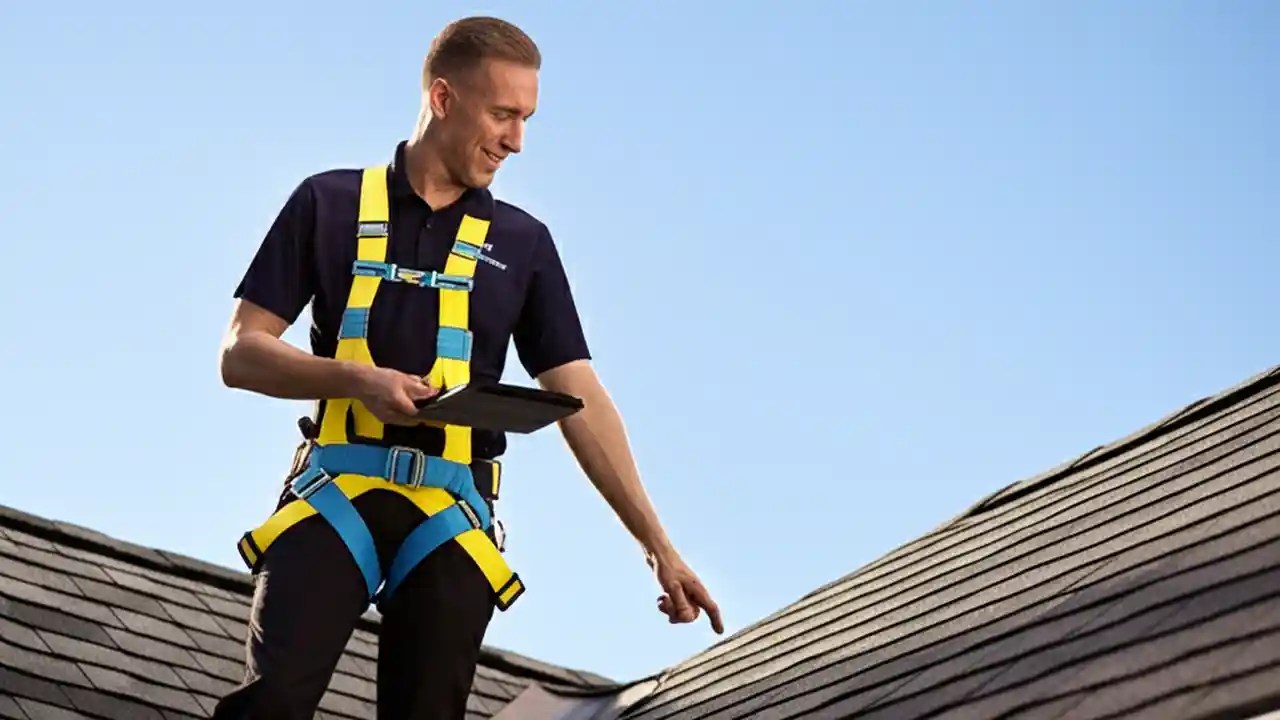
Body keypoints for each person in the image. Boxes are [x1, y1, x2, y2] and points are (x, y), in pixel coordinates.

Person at [211, 14, 722, 720]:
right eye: (504, 114)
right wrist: (358, 380)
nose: (517, 140)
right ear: (444, 98)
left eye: (527, 118)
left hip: (450, 515)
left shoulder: (525, 244)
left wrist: (659, 548)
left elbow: (580, 397)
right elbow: (241, 353)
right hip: (333, 492)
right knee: (273, 703)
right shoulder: (326, 202)